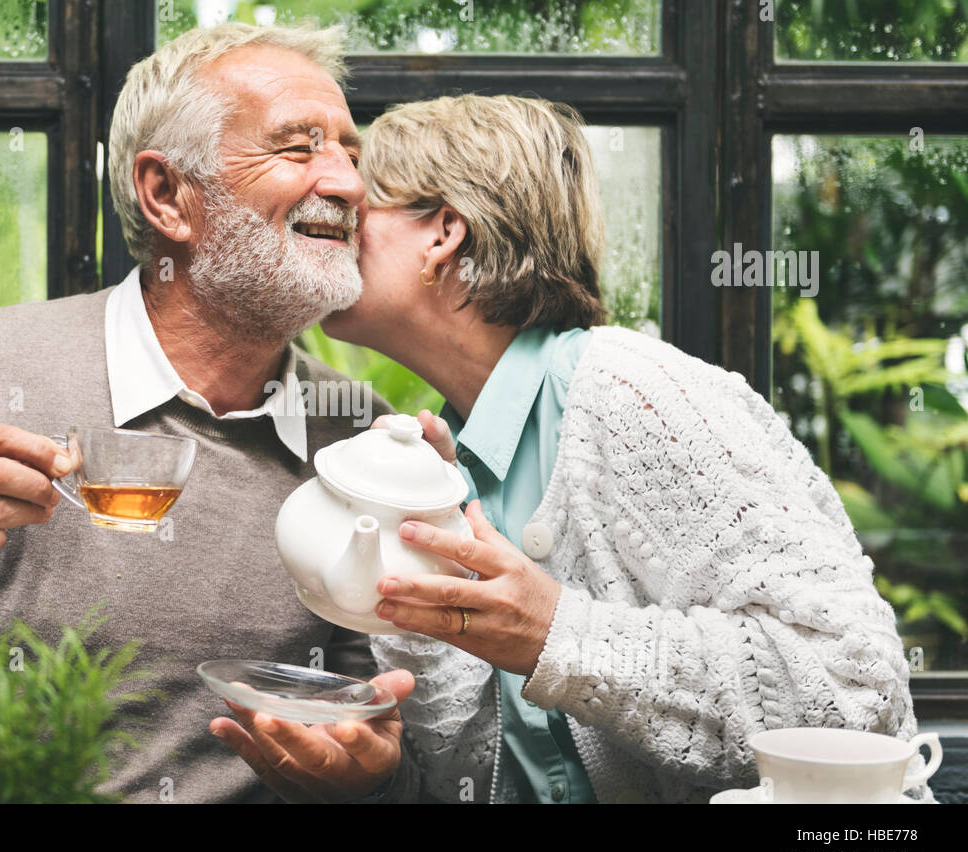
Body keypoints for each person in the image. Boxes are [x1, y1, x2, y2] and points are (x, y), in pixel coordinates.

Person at [0, 22, 417, 804]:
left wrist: (368, 777)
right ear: (166, 194)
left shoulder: (360, 440)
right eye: (298, 148)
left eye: (349, 151)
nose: (348, 184)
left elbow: (376, 729)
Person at [314, 93, 922, 803]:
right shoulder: (451, 461)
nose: (335, 227)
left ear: (444, 233)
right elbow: (477, 777)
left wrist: (556, 633)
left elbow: (855, 690)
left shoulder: (635, 392)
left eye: (360, 206)